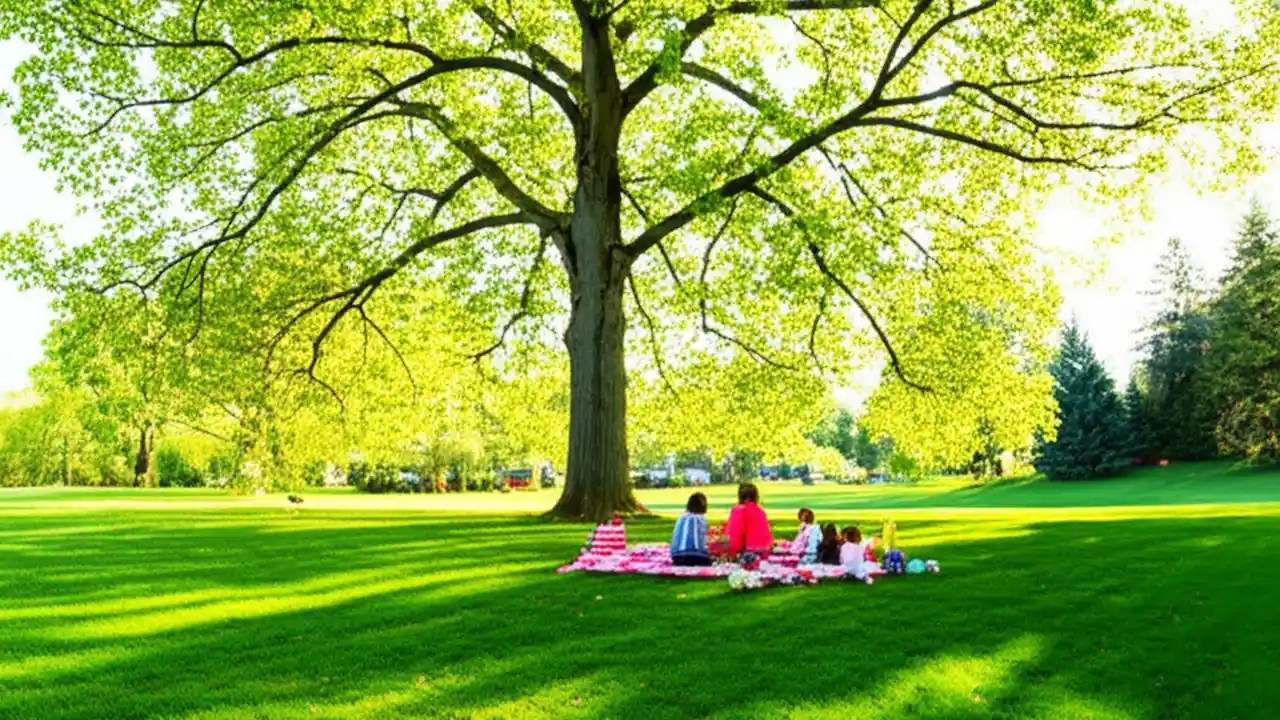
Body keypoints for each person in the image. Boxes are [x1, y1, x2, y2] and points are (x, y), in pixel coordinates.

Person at [726, 483, 773, 558]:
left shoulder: (739, 510)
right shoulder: (760, 510)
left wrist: (730, 552)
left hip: (748, 553)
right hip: (765, 551)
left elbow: (734, 535)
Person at [671, 492, 712, 566]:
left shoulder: (681, 518)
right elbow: (704, 542)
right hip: (698, 557)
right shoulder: (701, 519)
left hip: (677, 557)